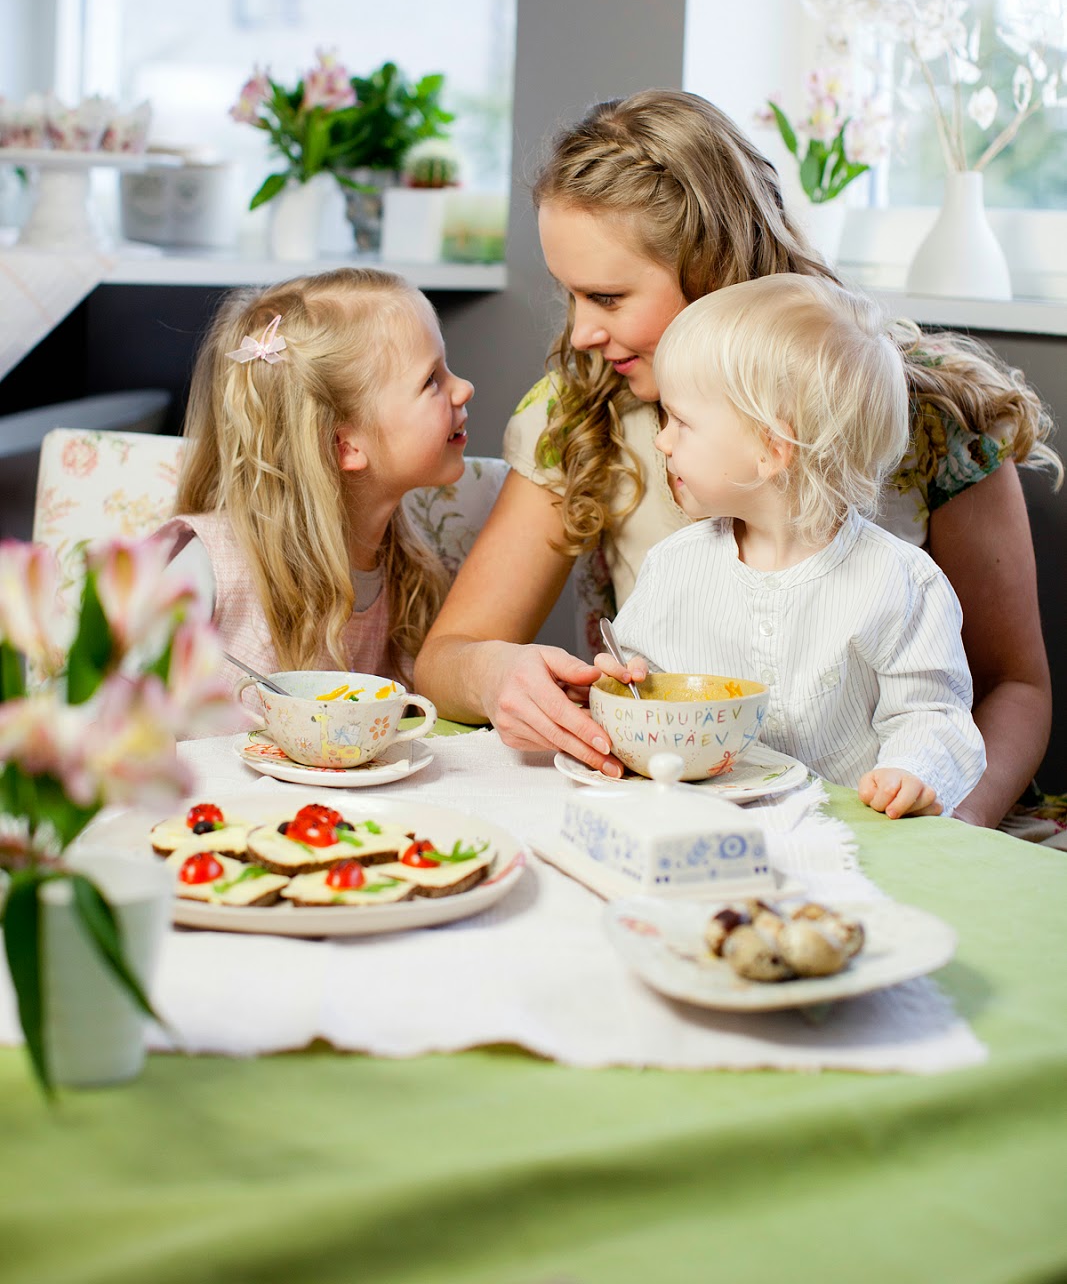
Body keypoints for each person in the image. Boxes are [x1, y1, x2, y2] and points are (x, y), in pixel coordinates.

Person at [414, 89, 1060, 826]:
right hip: (698, 812)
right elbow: (448, 658)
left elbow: (1014, 686)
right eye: (570, 296)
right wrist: (498, 672)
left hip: (902, 815)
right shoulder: (581, 411)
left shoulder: (916, 409)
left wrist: (943, 830)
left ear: (710, 262)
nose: (582, 333)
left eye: (607, 296)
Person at [593, 274, 985, 818]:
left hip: (847, 837)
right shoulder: (675, 566)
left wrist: (913, 772)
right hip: (699, 819)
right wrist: (620, 686)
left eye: (680, 422)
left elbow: (932, 714)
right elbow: (644, 681)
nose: (662, 440)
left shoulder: (900, 582)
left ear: (771, 449)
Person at [164, 266, 474, 688]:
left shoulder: (406, 574)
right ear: (346, 445)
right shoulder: (210, 567)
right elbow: (108, 712)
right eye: (431, 381)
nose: (465, 388)